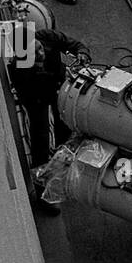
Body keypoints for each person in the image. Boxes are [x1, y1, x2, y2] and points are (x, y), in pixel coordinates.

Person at [9, 26, 85, 214]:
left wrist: (82, 54)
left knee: (65, 130)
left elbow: (74, 44)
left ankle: (63, 169)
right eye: (34, 54)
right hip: (36, 97)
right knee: (40, 140)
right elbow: (30, 94)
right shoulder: (20, 70)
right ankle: (44, 196)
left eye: (40, 48)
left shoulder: (48, 37)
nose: (40, 54)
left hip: (57, 87)